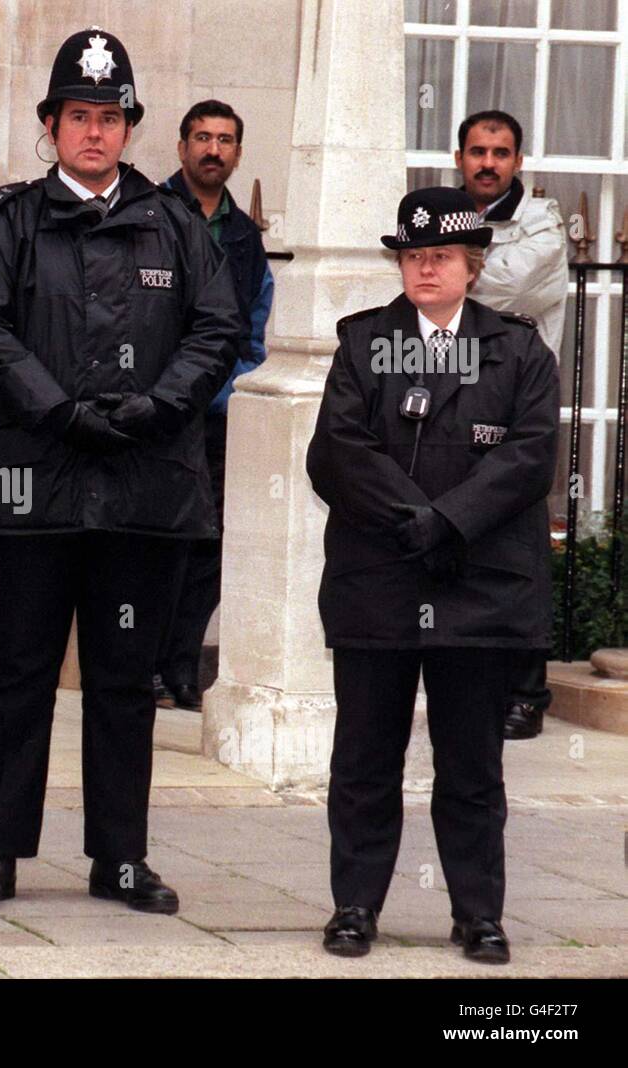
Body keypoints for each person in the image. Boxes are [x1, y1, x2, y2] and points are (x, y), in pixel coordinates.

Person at [0, 27, 239, 915]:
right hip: (30, 485)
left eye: (111, 118)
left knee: (122, 682)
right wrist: (60, 411)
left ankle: (120, 859)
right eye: (79, 116)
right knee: (15, 675)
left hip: (141, 490)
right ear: (51, 123)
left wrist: (155, 407)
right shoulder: (3, 220)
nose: (96, 134)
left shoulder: (178, 223)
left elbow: (217, 330)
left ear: (130, 125)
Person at [306, 187, 559, 964]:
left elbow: (529, 457)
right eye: (413, 256)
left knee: (472, 767)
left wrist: (449, 521)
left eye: (440, 256)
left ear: (472, 266)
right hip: (381, 580)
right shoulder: (362, 344)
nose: (424, 269)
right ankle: (355, 906)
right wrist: (413, 520)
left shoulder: (519, 353)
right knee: (364, 761)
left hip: (477, 587)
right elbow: (337, 453)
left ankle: (478, 913)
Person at [155, 99, 273, 711]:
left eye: (225, 140)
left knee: (211, 546)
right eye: (202, 137)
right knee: (157, 542)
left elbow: (255, 332)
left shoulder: (247, 238)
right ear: (181, 147)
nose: (213, 150)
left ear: (238, 153)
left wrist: (231, 391)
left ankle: (180, 668)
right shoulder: (149, 212)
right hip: (159, 416)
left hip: (219, 418)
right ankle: (146, 665)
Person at [455, 109, 568, 741]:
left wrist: (453, 269)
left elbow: (508, 286)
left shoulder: (543, 223)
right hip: (457, 400)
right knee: (460, 539)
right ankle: (472, 681)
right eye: (477, 151)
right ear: (460, 157)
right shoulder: (447, 210)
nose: (488, 163)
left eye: (500, 152)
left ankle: (526, 692)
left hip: (523, 408)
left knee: (521, 552)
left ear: (518, 161)